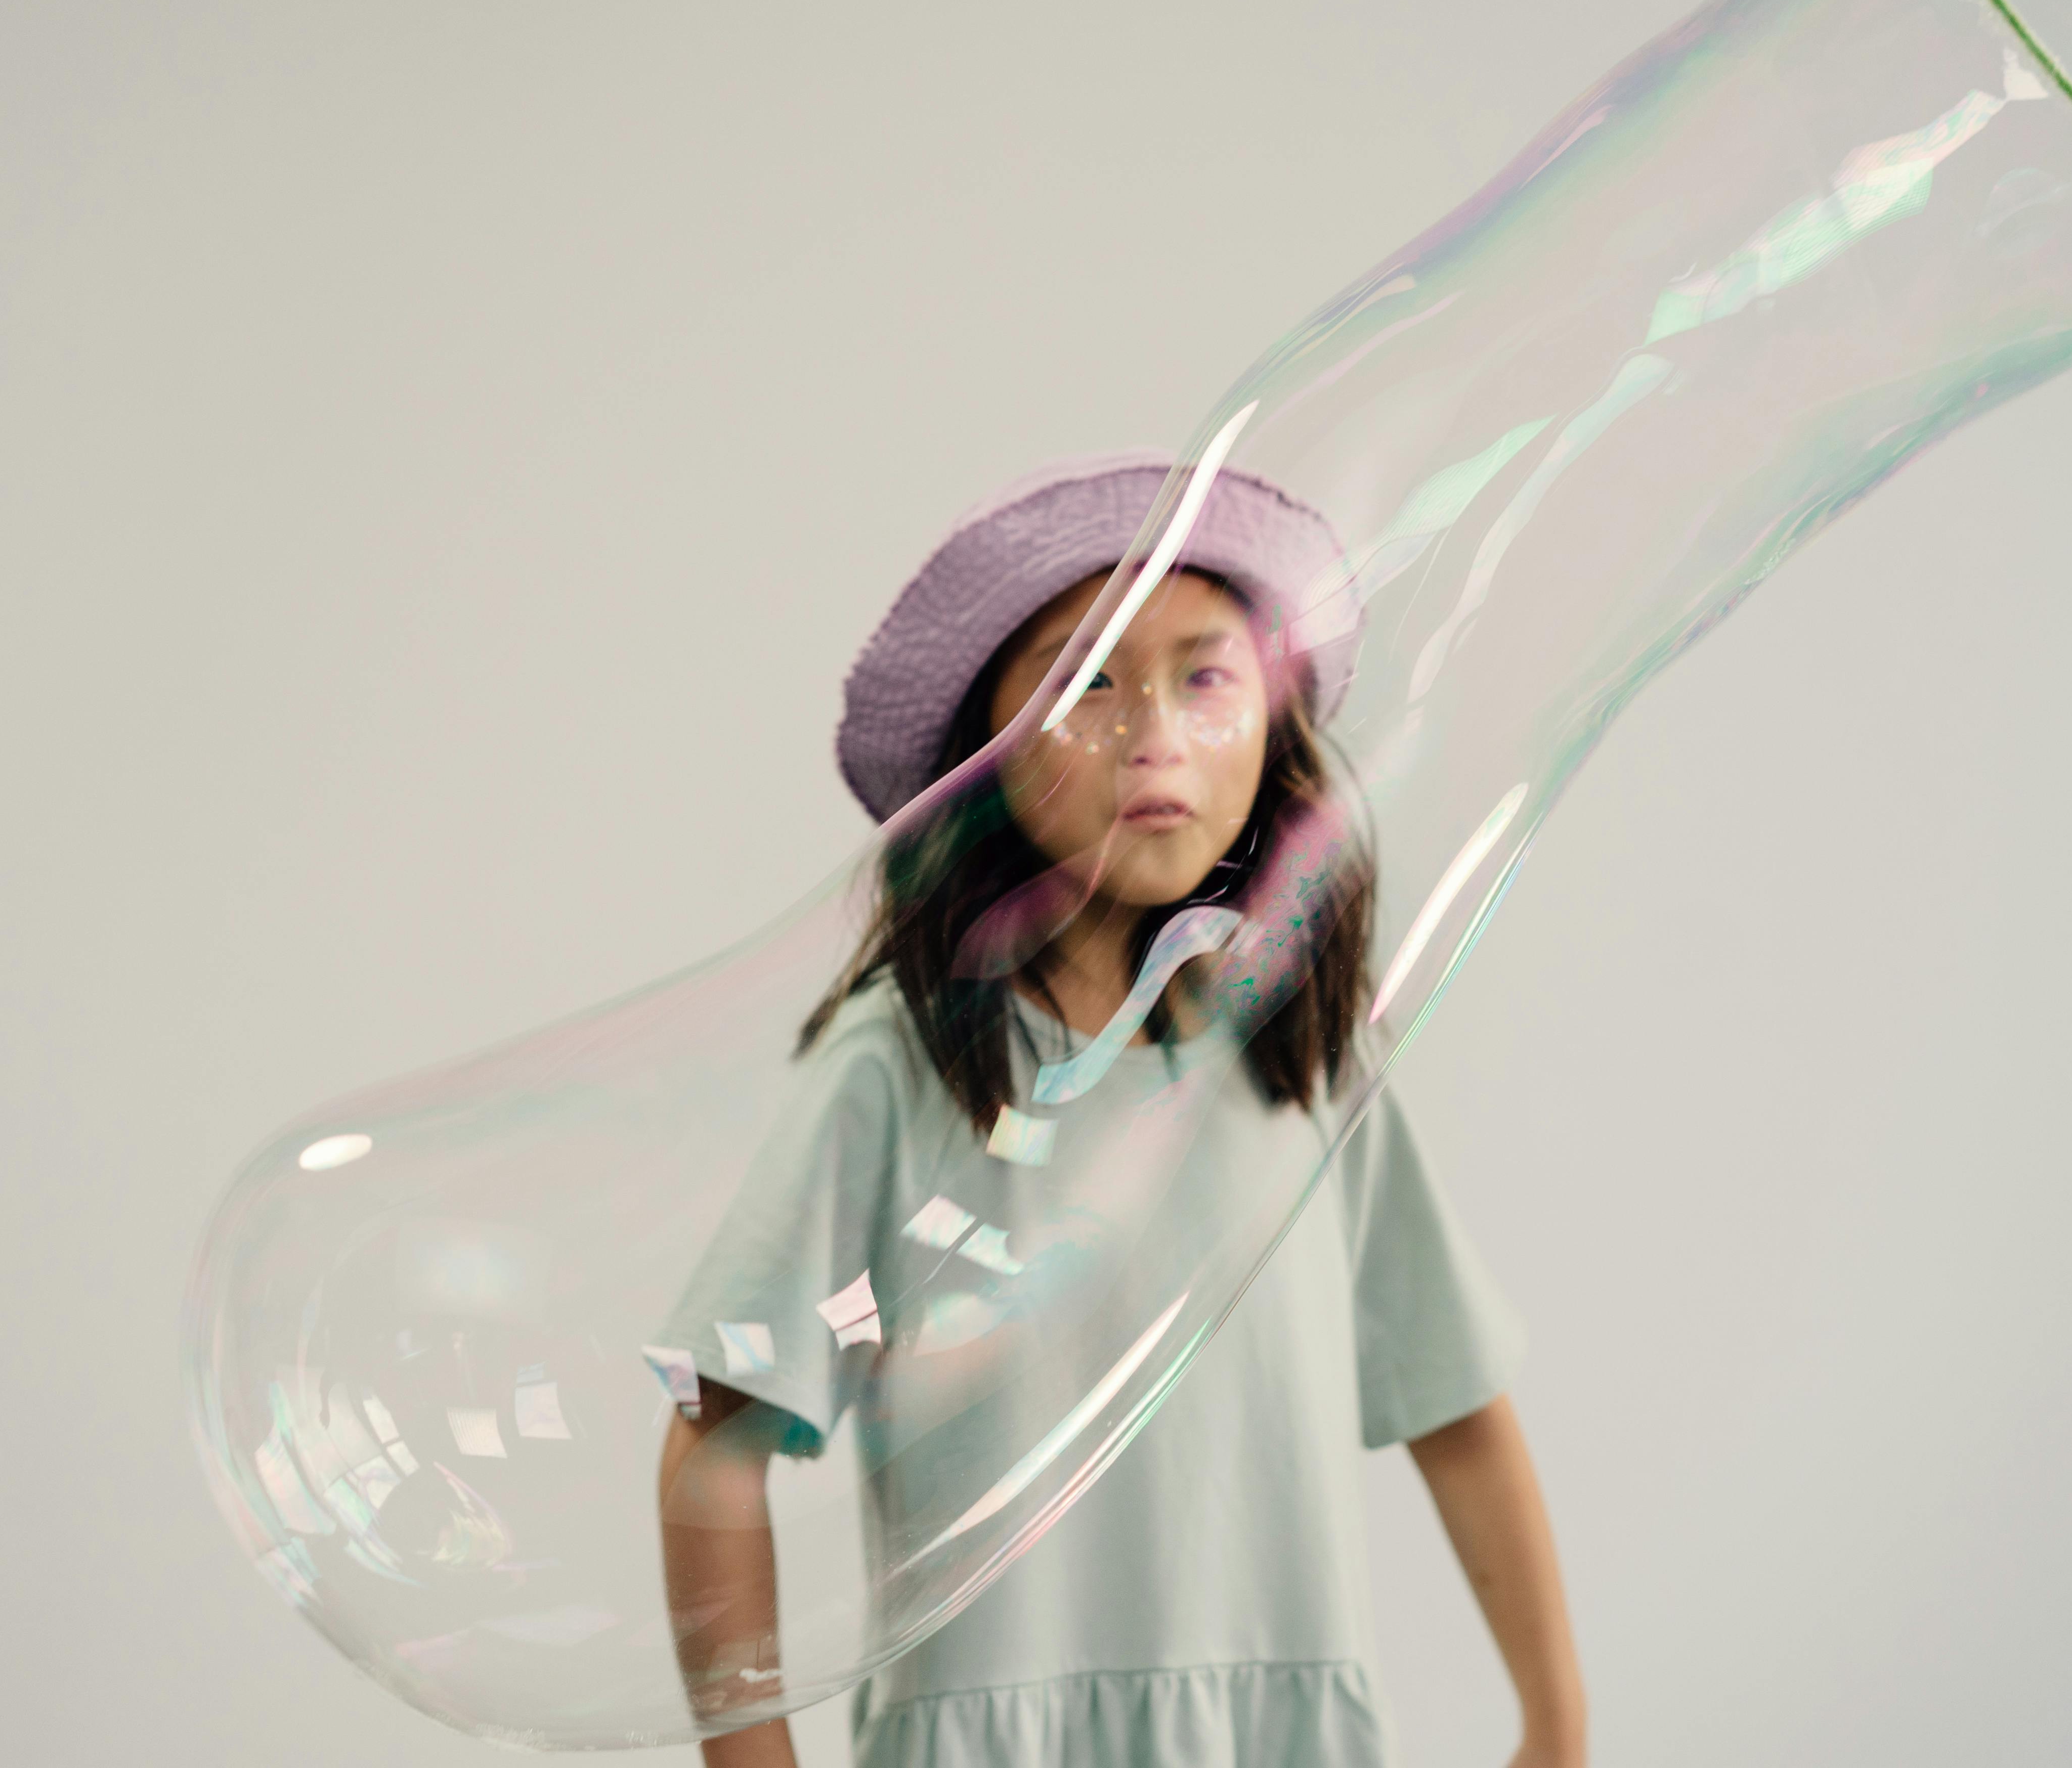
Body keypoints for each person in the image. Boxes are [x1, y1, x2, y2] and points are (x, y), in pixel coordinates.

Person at [655, 452, 1585, 1767]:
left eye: (1205, 674)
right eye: (1085, 680)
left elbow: (1458, 1403)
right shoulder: (897, 1070)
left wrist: (1555, 1721)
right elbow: (714, 1443)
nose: (1154, 731)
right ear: (983, 757)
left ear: (1273, 733)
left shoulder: (1309, 1064)